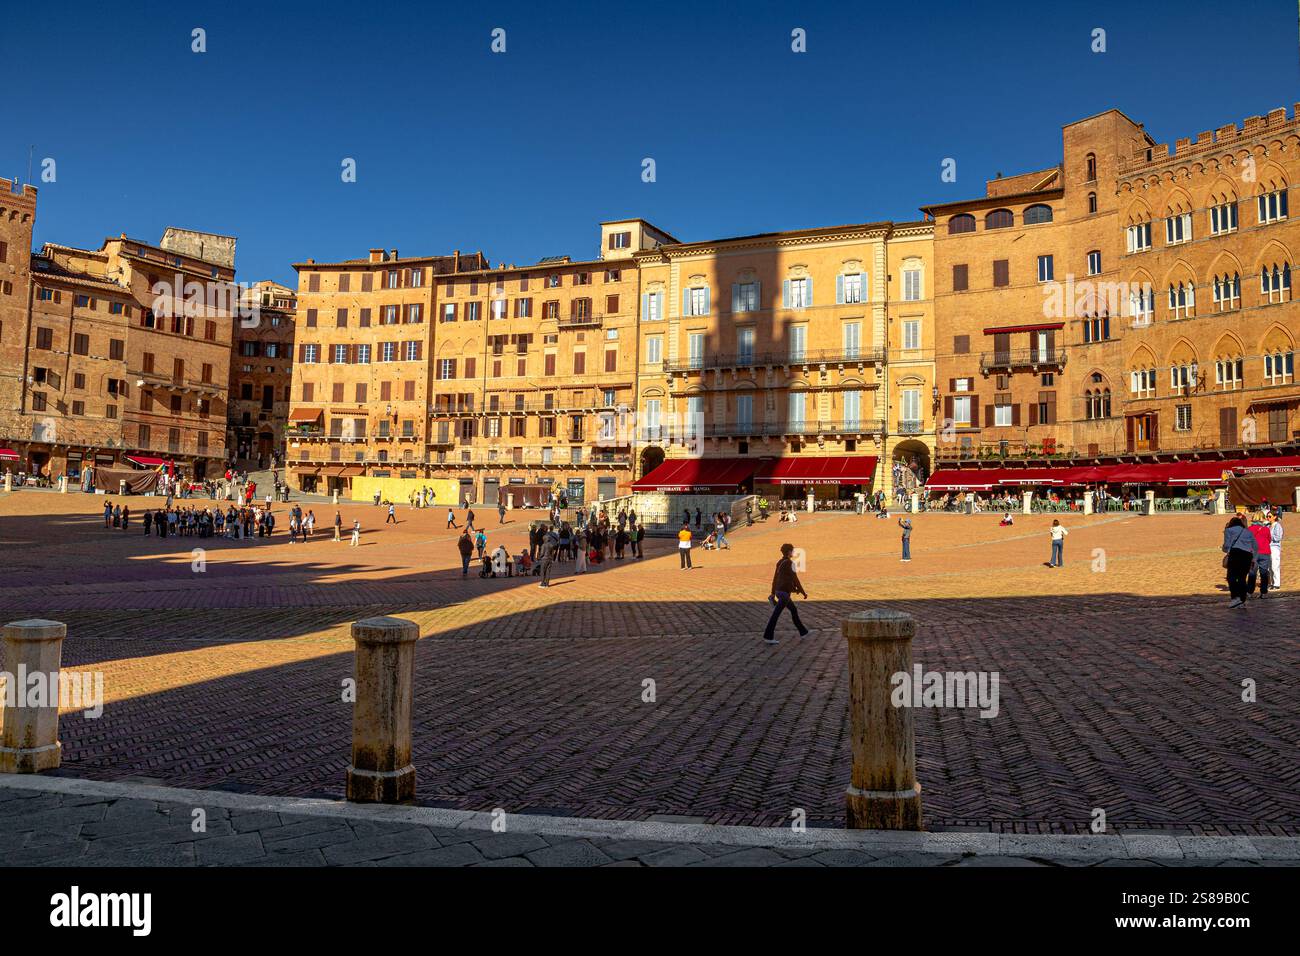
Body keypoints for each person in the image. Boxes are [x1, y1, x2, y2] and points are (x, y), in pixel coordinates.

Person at [763, 543, 810, 646]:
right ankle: (768, 636)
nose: (793, 552)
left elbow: (776, 579)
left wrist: (772, 593)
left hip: (779, 592)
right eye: (792, 551)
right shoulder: (789, 563)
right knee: (775, 615)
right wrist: (803, 592)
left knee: (793, 610)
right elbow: (795, 579)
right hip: (784, 594)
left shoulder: (779, 562)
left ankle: (803, 632)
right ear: (789, 552)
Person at [1222, 513, 1258, 608]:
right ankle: (1242, 600)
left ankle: (1235, 598)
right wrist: (1253, 558)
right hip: (1247, 555)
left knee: (1231, 577)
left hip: (1236, 554)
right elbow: (1255, 546)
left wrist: (1225, 549)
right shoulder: (1248, 532)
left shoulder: (1228, 530)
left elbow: (1226, 546)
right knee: (1242, 578)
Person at [1247, 514, 1273, 599]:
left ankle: (1250, 592)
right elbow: (1269, 539)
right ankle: (1264, 592)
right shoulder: (1266, 529)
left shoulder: (1249, 529)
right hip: (1265, 552)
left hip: (1253, 553)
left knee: (1252, 573)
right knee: (1264, 573)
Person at [1269, 511, 1284, 589]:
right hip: (1268, 547)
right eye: (1267, 516)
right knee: (1270, 566)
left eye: (1269, 516)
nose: (1268, 518)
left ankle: (1276, 584)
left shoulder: (1277, 526)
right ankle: (1272, 583)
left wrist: (1268, 536)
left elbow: (1278, 537)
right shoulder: (1269, 525)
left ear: (1274, 517)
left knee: (1275, 565)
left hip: (1275, 547)